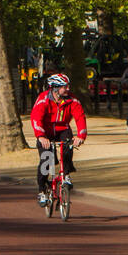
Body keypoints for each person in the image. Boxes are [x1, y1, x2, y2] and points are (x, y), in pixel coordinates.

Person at [29, 73, 87, 206]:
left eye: (68, 86)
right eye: (64, 87)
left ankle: (66, 175)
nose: (67, 89)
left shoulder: (72, 100)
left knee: (68, 147)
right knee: (47, 160)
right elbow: (36, 118)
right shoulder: (43, 99)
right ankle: (42, 190)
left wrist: (80, 136)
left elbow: (80, 117)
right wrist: (41, 136)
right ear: (55, 88)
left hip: (63, 130)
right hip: (46, 132)